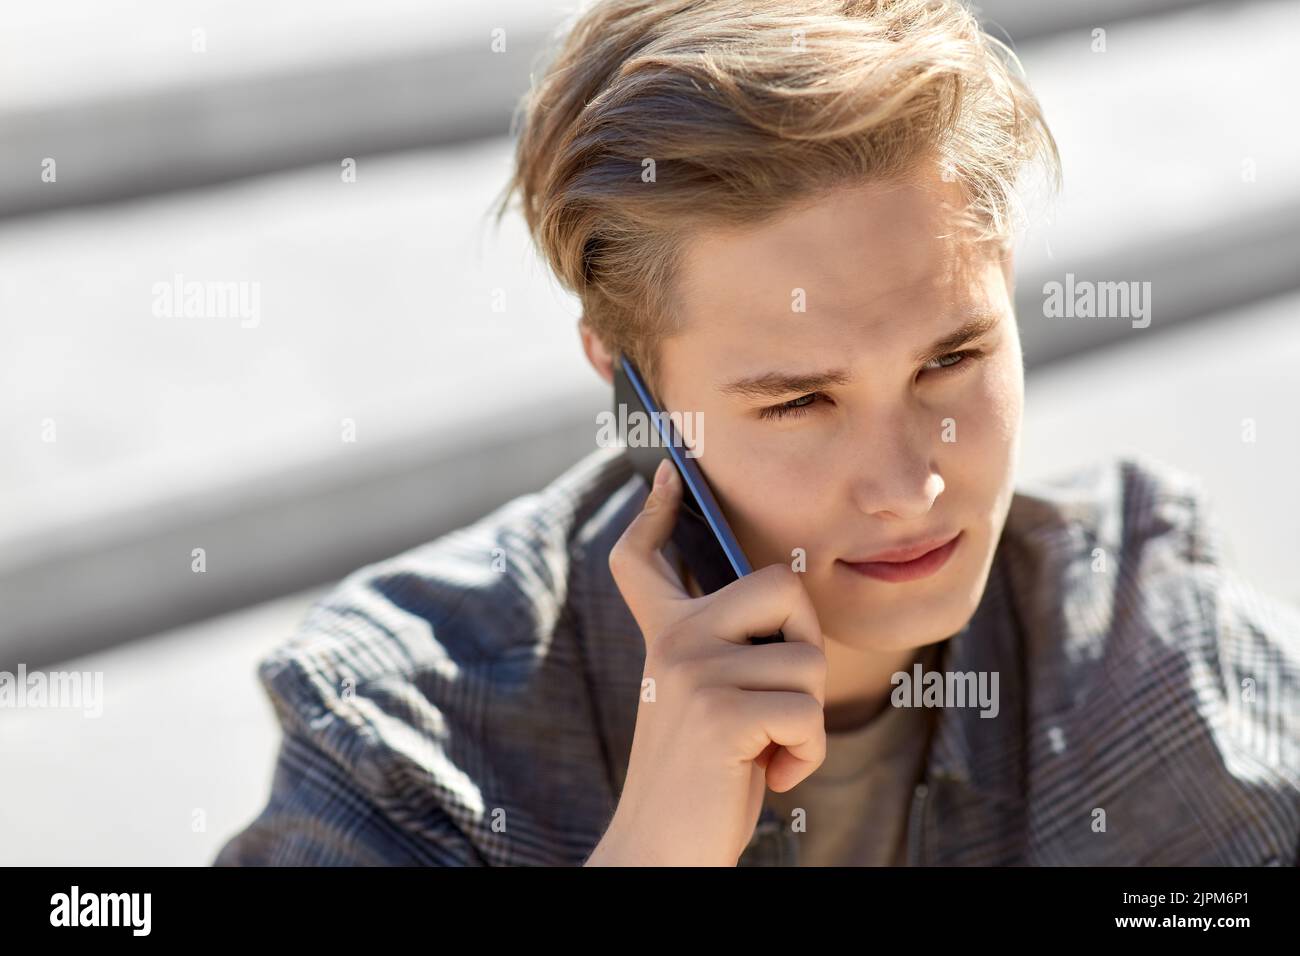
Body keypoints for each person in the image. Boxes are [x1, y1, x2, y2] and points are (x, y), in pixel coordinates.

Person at [214, 0, 1299, 866]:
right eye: (799, 402)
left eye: (950, 359)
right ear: (633, 391)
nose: (907, 485)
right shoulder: (411, 729)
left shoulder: (1141, 641)